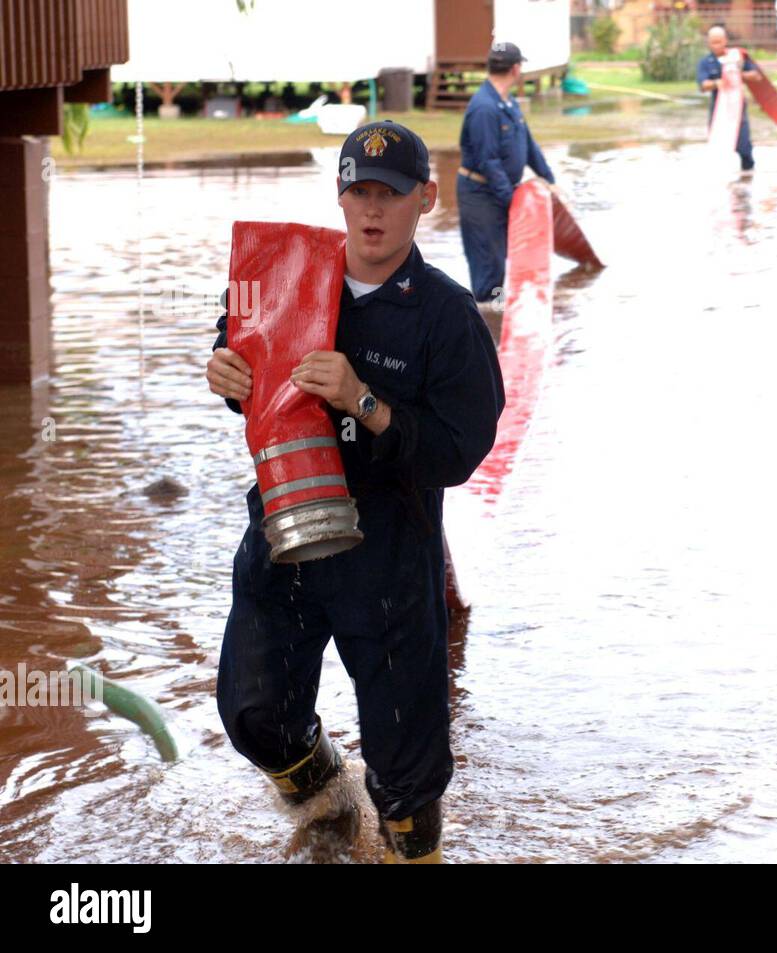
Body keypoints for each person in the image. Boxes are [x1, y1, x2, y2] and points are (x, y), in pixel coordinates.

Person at [206, 119, 507, 864]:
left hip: (390, 547)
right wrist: (224, 370)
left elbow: (461, 452)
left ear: (425, 200)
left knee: (407, 786)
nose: (373, 211)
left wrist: (365, 401)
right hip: (286, 524)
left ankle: (402, 839)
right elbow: (234, 340)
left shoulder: (446, 315)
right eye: (359, 193)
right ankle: (332, 808)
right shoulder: (282, 275)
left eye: (391, 195)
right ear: (340, 198)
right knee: (252, 714)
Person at [458, 41, 556, 311]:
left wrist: (549, 180)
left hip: (498, 193)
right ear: (515, 69)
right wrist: (512, 200)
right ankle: (487, 324)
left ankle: (498, 320)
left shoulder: (507, 101)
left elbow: (528, 144)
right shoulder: (484, 108)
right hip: (480, 195)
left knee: (499, 260)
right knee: (489, 265)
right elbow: (487, 161)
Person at [697, 24, 763, 170]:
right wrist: (717, 83)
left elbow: (756, 76)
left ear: (725, 40)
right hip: (718, 109)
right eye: (713, 42)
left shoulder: (737, 57)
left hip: (738, 108)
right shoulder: (705, 62)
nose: (716, 46)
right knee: (719, 143)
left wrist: (738, 74)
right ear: (708, 42)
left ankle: (747, 177)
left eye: (719, 41)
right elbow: (703, 85)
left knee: (744, 148)